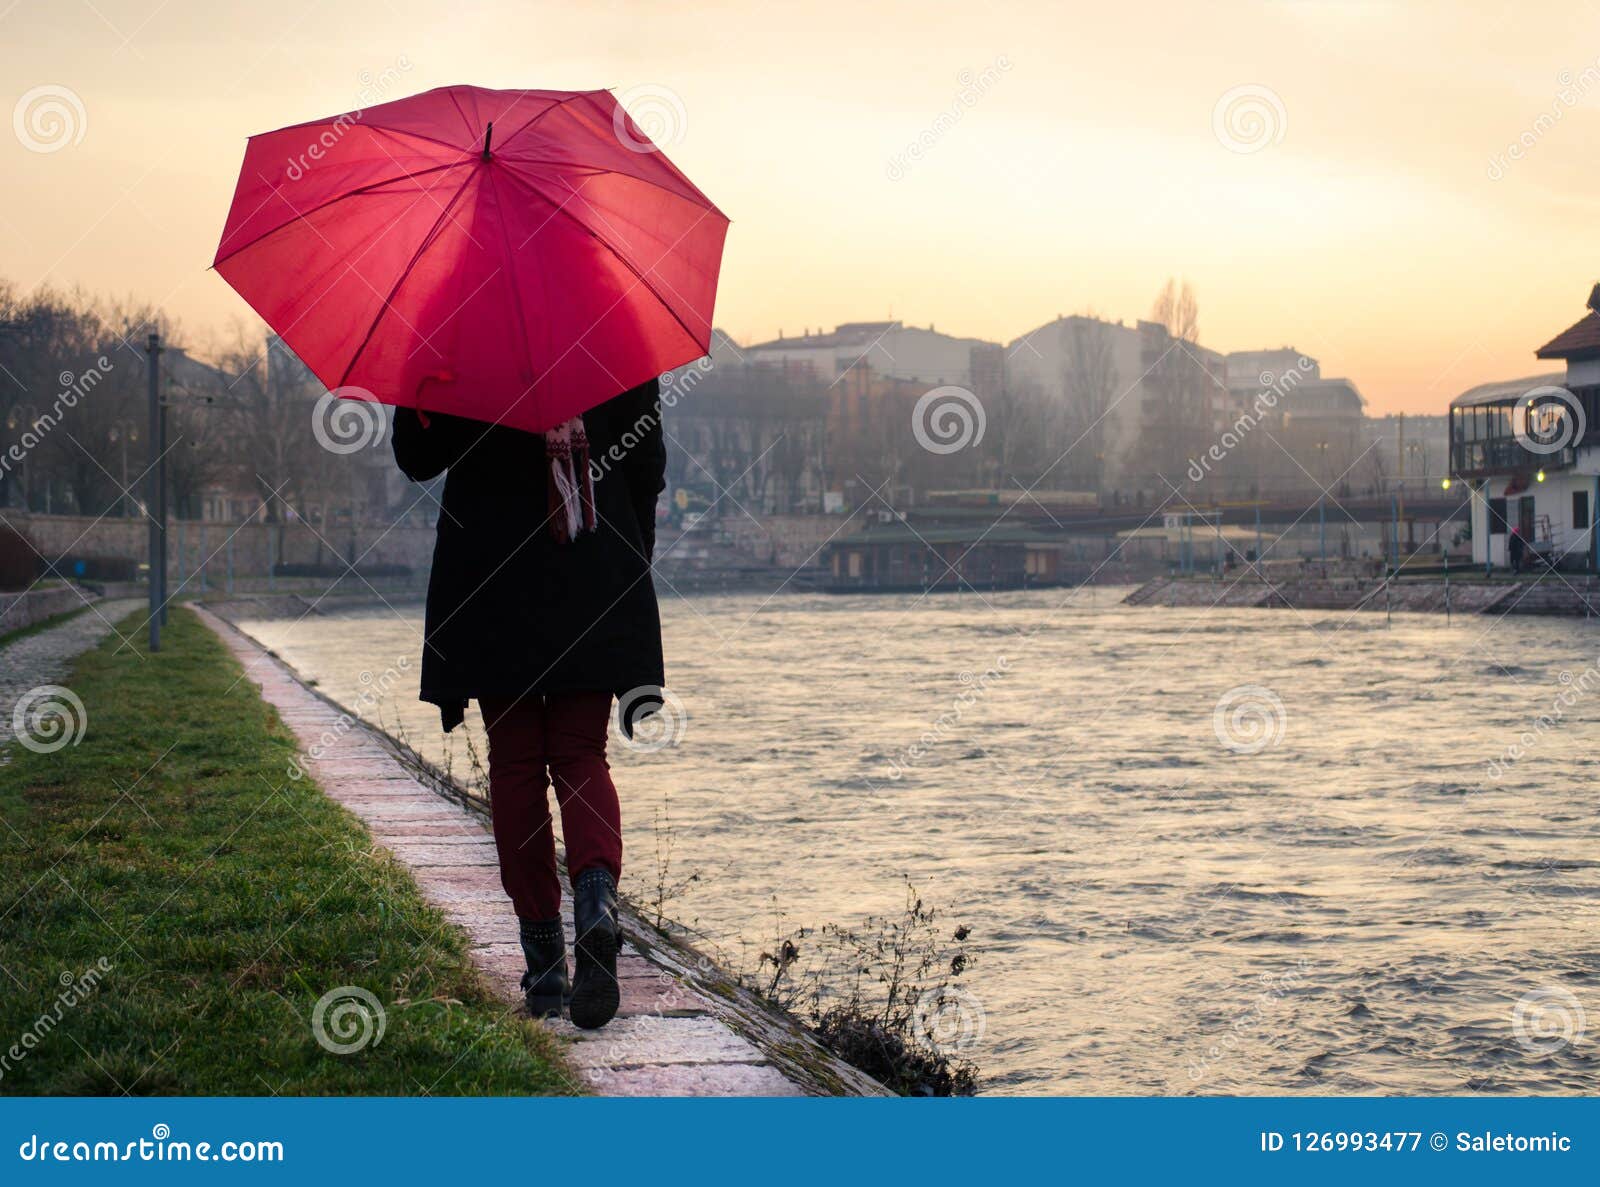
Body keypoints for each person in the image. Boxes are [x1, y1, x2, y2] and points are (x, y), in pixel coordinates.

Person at [390, 379, 667, 1030]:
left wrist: (420, 389)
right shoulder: (616, 326)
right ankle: (595, 903)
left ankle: (544, 967)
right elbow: (648, 467)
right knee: (579, 752)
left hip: (491, 575)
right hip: (593, 557)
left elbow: (418, 458)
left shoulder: (456, 340)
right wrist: (632, 561)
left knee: (515, 762)